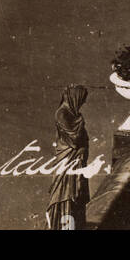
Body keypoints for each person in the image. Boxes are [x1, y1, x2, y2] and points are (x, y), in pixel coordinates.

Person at [45, 85, 90, 230]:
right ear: (74, 98)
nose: (83, 103)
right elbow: (75, 139)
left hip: (74, 159)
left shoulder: (71, 113)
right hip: (67, 159)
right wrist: (81, 122)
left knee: (73, 194)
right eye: (81, 100)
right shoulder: (62, 113)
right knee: (64, 194)